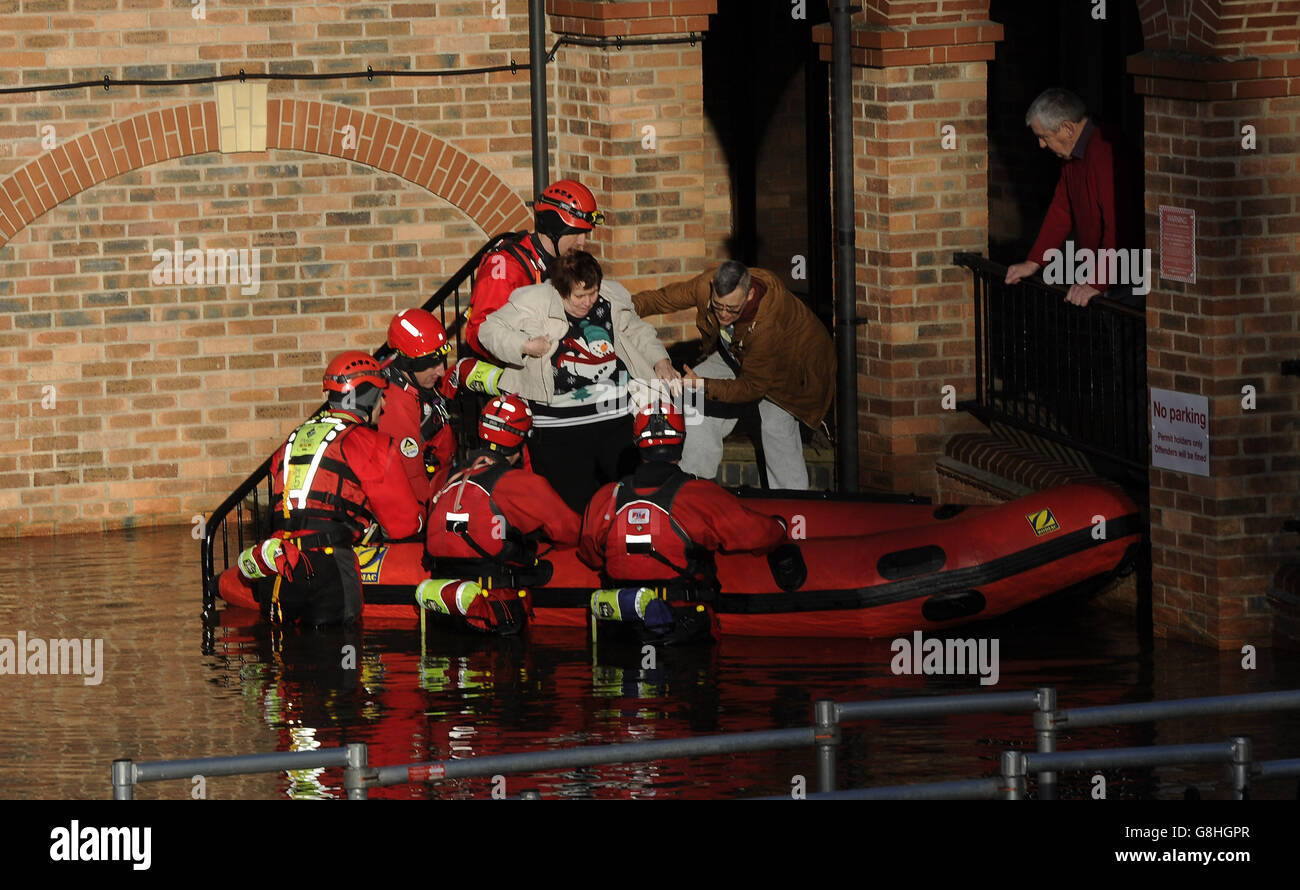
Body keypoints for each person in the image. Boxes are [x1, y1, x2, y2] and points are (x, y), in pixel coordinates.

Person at [477, 250, 680, 512]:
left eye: (592, 293)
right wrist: (525, 345)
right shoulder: (534, 299)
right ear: (561, 291)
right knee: (570, 508)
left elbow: (635, 329)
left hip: (615, 419)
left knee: (623, 498)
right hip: (558, 428)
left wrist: (659, 359)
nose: (588, 302)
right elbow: (488, 330)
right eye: (579, 296)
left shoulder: (610, 297)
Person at [578, 402, 796, 641]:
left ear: (638, 443)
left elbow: (591, 555)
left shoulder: (606, 497)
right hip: (683, 628)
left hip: (621, 629)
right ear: (681, 441)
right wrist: (780, 526)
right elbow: (758, 534)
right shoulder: (700, 496)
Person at [240, 351, 424, 626]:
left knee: (287, 659)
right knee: (340, 657)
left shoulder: (296, 436)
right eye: (381, 395)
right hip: (330, 568)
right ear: (367, 396)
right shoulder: (370, 444)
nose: (384, 403)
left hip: (282, 565)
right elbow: (404, 525)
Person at [632, 260, 834, 490]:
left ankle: (792, 501)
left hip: (791, 371)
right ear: (713, 287)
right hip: (739, 353)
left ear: (749, 296)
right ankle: (692, 484)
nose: (724, 315)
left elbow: (751, 388)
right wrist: (616, 307)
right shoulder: (706, 285)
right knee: (690, 398)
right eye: (718, 307)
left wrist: (703, 384)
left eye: (732, 310)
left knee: (775, 426)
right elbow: (662, 299)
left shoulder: (768, 322)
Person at [1003, 87, 1142, 307]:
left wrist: (1097, 282)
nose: (1041, 145)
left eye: (1044, 137)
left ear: (1068, 128)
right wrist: (1034, 261)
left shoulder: (1106, 151)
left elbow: (1119, 225)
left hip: (1128, 277)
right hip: (1106, 275)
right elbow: (1062, 209)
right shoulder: (1073, 155)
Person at [425, 393, 581, 580]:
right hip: (497, 592)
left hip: (442, 586)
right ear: (523, 439)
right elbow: (569, 532)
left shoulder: (443, 478)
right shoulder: (522, 484)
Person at [464, 178, 603, 359]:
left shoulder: (566, 262)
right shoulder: (507, 267)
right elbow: (480, 333)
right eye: (576, 233)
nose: (582, 242)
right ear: (555, 229)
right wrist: (524, 346)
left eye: (585, 234)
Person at [377, 308, 457, 507]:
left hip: (442, 484)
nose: (440, 371)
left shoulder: (414, 383)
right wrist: (429, 517)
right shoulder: (394, 403)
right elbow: (410, 478)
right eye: (431, 364)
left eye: (441, 360)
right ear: (407, 363)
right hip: (425, 502)